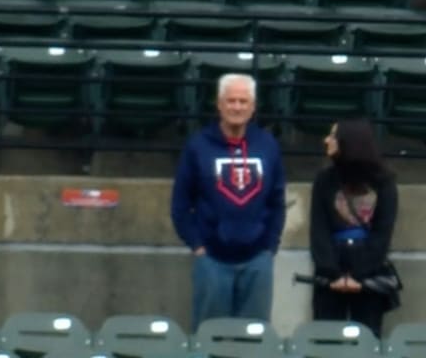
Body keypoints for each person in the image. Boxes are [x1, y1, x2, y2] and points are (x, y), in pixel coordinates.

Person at [171, 73, 288, 330]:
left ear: (253, 106)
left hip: (257, 259)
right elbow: (180, 204)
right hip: (212, 259)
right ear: (219, 104)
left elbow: (277, 201)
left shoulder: (267, 145)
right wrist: (197, 245)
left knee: (253, 340)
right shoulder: (198, 146)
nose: (237, 107)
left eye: (243, 101)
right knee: (209, 337)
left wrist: (270, 246)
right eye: (231, 100)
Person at [308, 119, 399, 337]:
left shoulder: (384, 183)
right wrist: (333, 273)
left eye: (332, 136)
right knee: (326, 340)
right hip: (330, 274)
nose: (326, 140)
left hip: (369, 274)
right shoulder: (324, 180)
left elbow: (382, 233)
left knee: (366, 338)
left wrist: (358, 275)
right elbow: (318, 230)